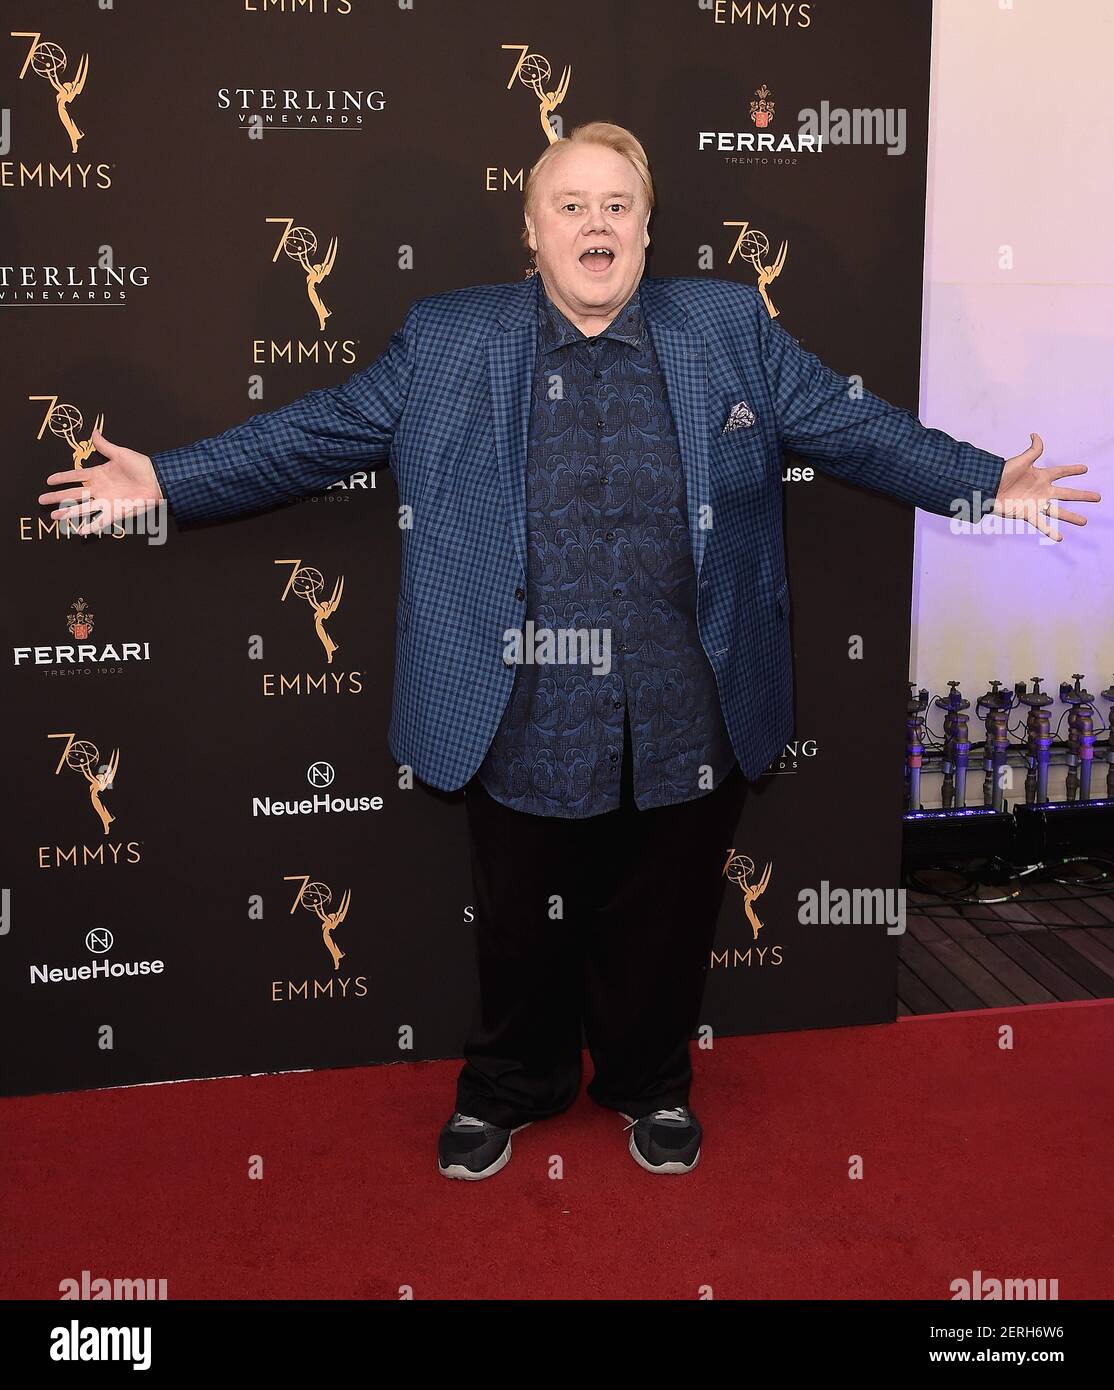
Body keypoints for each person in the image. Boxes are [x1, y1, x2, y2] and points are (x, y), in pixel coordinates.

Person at [38, 121, 1100, 1181]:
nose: (596, 223)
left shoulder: (726, 327)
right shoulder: (449, 338)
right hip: (516, 703)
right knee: (518, 925)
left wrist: (983, 483)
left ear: (646, 227)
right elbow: (314, 432)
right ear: (532, 232)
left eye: (616, 205)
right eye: (572, 205)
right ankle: (512, 1086)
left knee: (667, 920)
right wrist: (168, 481)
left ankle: (648, 1083)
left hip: (688, 696)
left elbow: (850, 425)